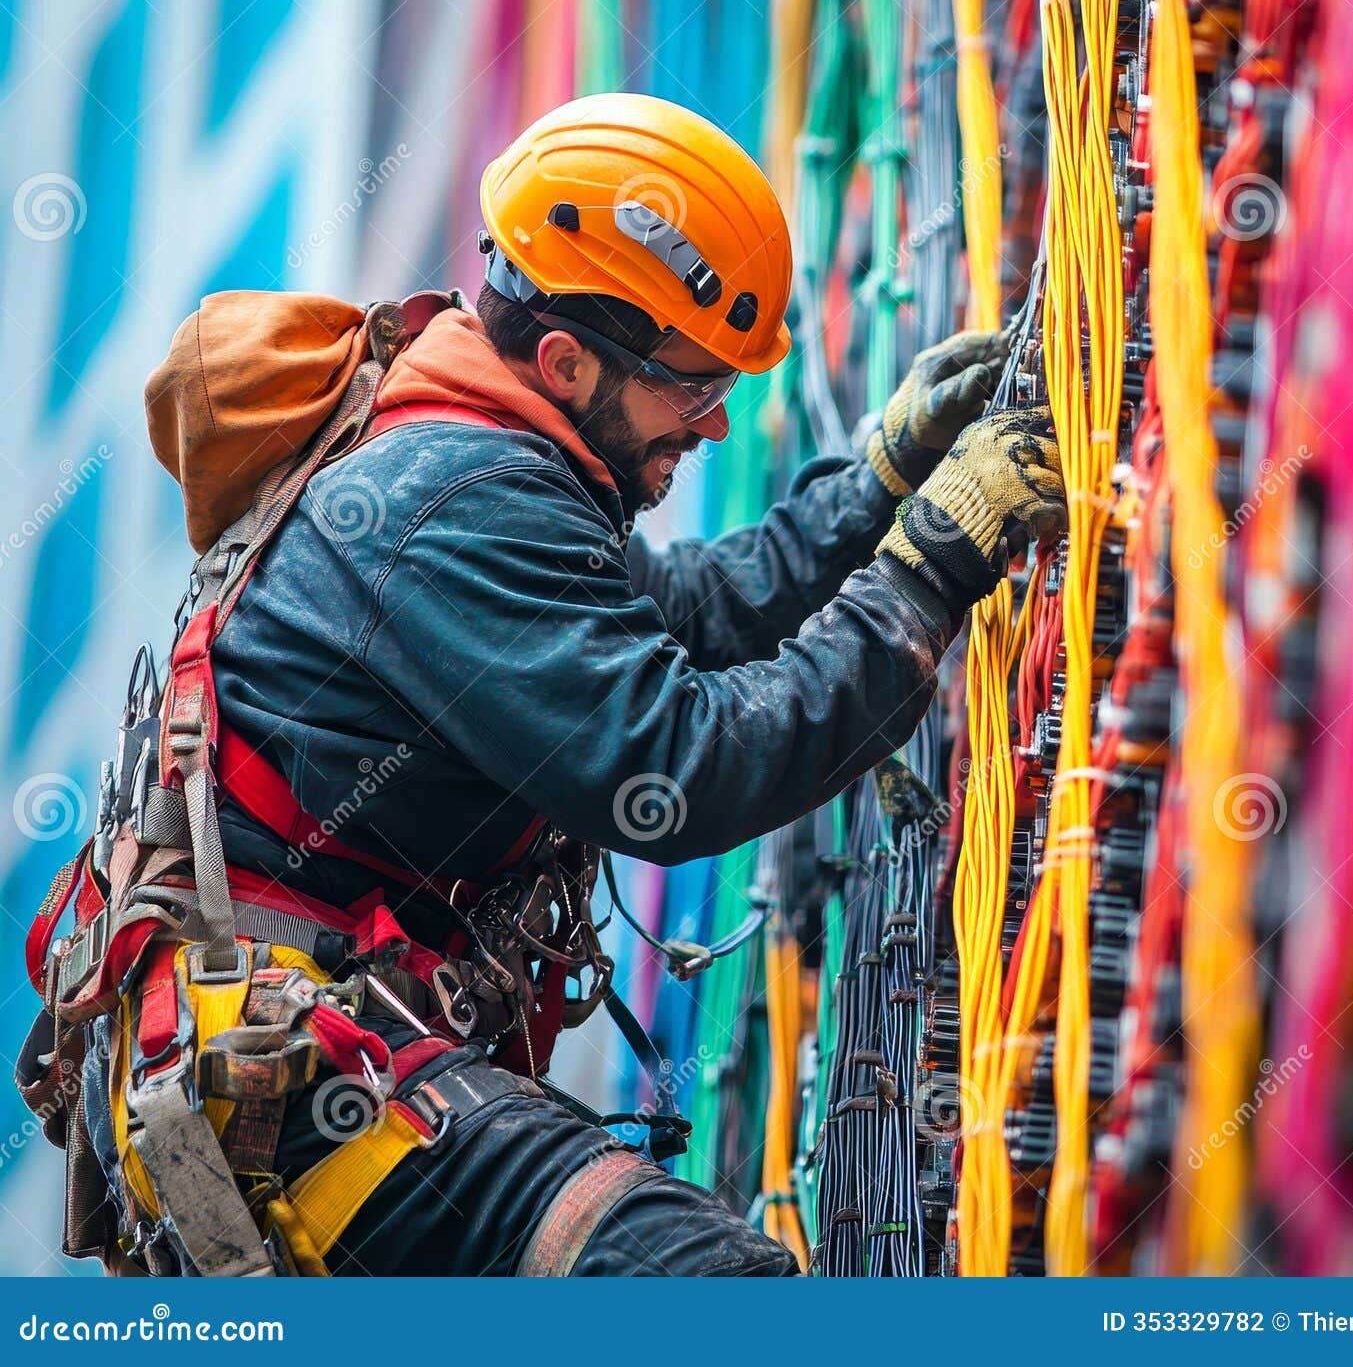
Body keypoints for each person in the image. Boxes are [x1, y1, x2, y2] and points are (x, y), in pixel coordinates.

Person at [52, 92, 1064, 1277]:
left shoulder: (478, 441)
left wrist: (879, 483)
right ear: (568, 358)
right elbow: (684, 768)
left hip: (311, 1039)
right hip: (293, 1070)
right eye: (691, 388)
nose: (718, 421)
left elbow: (671, 614)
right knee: (701, 1286)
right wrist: (933, 564)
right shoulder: (452, 500)